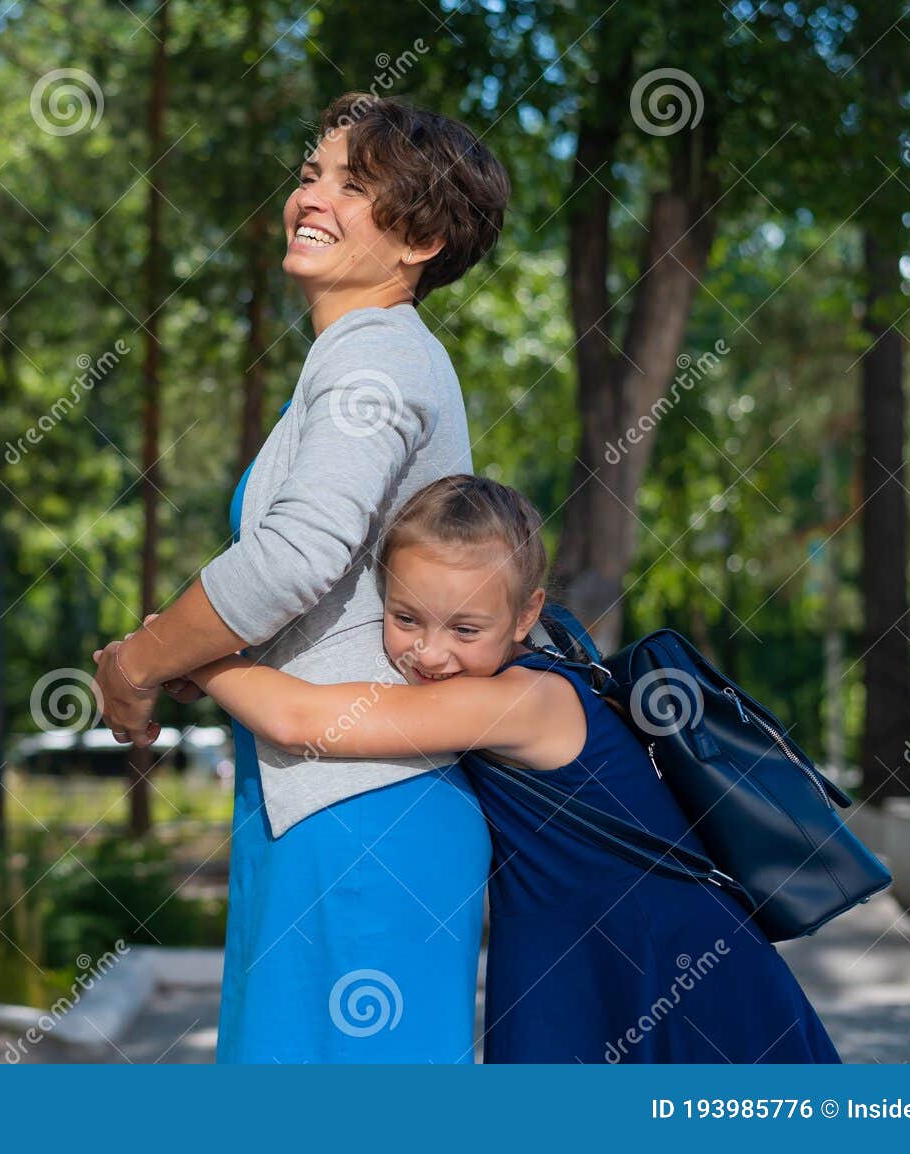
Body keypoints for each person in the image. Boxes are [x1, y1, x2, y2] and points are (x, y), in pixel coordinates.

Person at [143, 474, 840, 1064]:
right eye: (405, 617)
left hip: (673, 962)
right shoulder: (537, 667)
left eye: (465, 629)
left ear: (524, 615)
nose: (430, 653)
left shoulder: (521, 700)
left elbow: (300, 722)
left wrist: (185, 654)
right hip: (588, 954)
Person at [92, 93, 511, 1062]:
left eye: (353, 185)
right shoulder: (365, 358)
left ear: (425, 240)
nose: (310, 197)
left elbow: (295, 553)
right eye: (310, 173)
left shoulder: (371, 362)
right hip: (328, 810)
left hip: (356, 822)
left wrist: (140, 659)